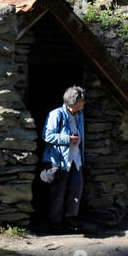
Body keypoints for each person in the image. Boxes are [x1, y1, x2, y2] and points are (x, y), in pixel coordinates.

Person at [42, 86, 86, 233]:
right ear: (75, 102)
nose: (84, 103)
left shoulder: (79, 115)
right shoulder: (56, 114)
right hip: (60, 160)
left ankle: (70, 219)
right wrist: (67, 139)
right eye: (82, 100)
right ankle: (55, 223)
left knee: (76, 187)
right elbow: (47, 136)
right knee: (58, 192)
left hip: (76, 160)